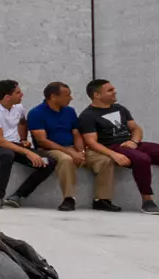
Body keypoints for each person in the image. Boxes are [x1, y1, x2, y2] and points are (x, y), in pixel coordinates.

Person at [76, 78, 159, 215]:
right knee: (142, 159)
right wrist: (114, 155)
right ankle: (147, 201)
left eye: (113, 89)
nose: (114, 92)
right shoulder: (88, 115)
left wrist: (134, 141)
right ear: (97, 95)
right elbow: (91, 142)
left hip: (133, 144)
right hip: (113, 147)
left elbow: (136, 129)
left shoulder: (120, 108)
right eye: (110, 90)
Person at [26, 82, 103, 212]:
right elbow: (43, 141)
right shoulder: (36, 113)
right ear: (53, 97)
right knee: (66, 159)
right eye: (67, 95)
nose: (71, 98)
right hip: (51, 150)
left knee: (104, 160)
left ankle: (102, 200)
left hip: (73, 147)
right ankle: (69, 198)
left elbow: (76, 133)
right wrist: (72, 154)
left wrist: (81, 151)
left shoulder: (70, 111)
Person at [0, 79, 50, 208]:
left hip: (14, 145)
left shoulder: (18, 107)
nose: (22, 94)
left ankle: (18, 196)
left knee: (48, 162)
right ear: (7, 97)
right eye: (18, 92)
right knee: (7, 155)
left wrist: (23, 139)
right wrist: (28, 152)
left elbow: (22, 122)